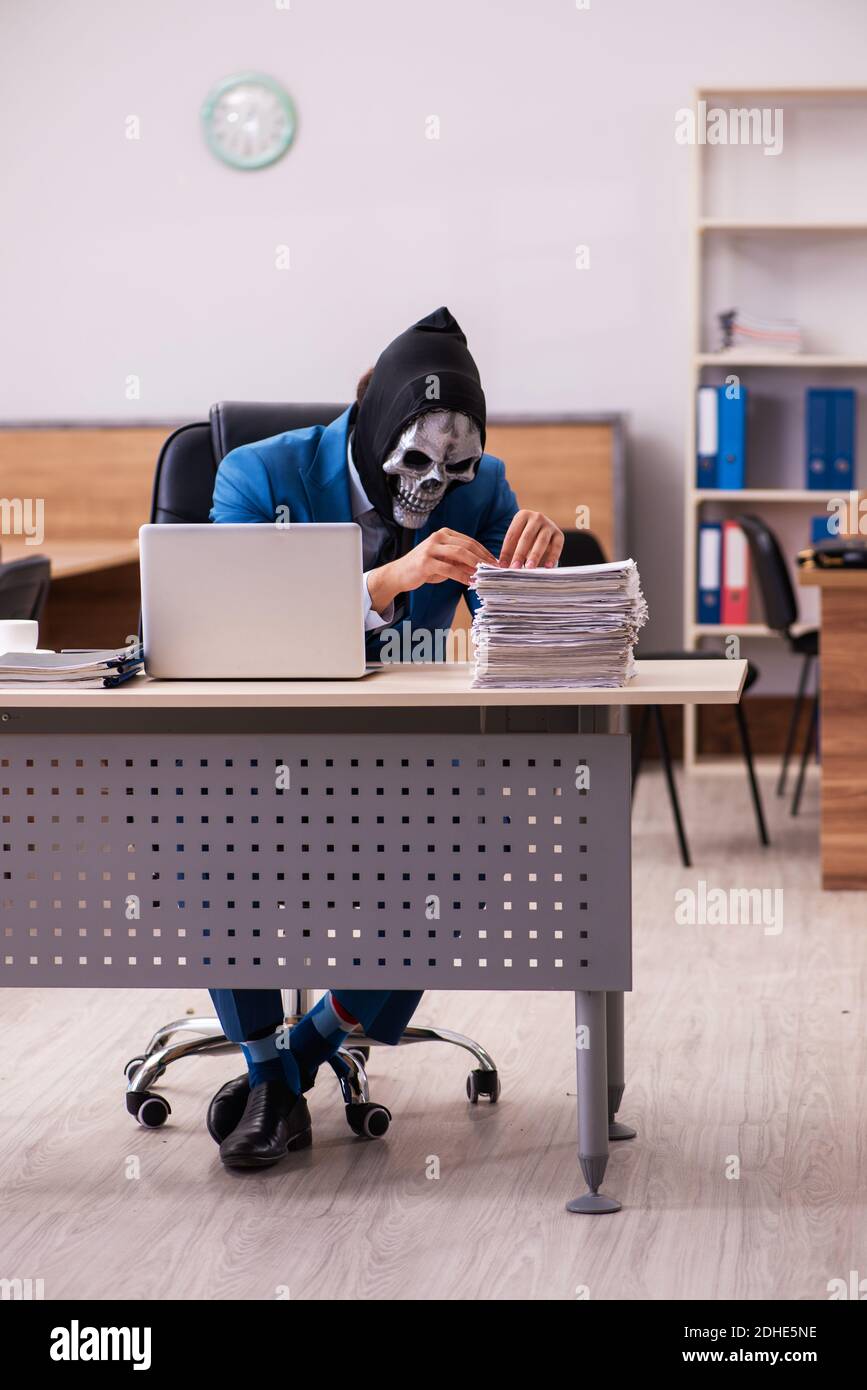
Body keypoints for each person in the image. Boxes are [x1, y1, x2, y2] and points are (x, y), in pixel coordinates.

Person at [206, 307, 564, 1168]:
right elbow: (227, 623)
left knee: (487, 830)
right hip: (262, 748)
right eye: (415, 462)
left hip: (400, 756)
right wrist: (381, 583)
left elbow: (512, 637)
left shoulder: (484, 486)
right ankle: (266, 1064)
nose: (434, 484)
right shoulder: (255, 474)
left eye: (456, 465)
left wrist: (534, 588)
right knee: (203, 812)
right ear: (367, 430)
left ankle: (289, 1066)